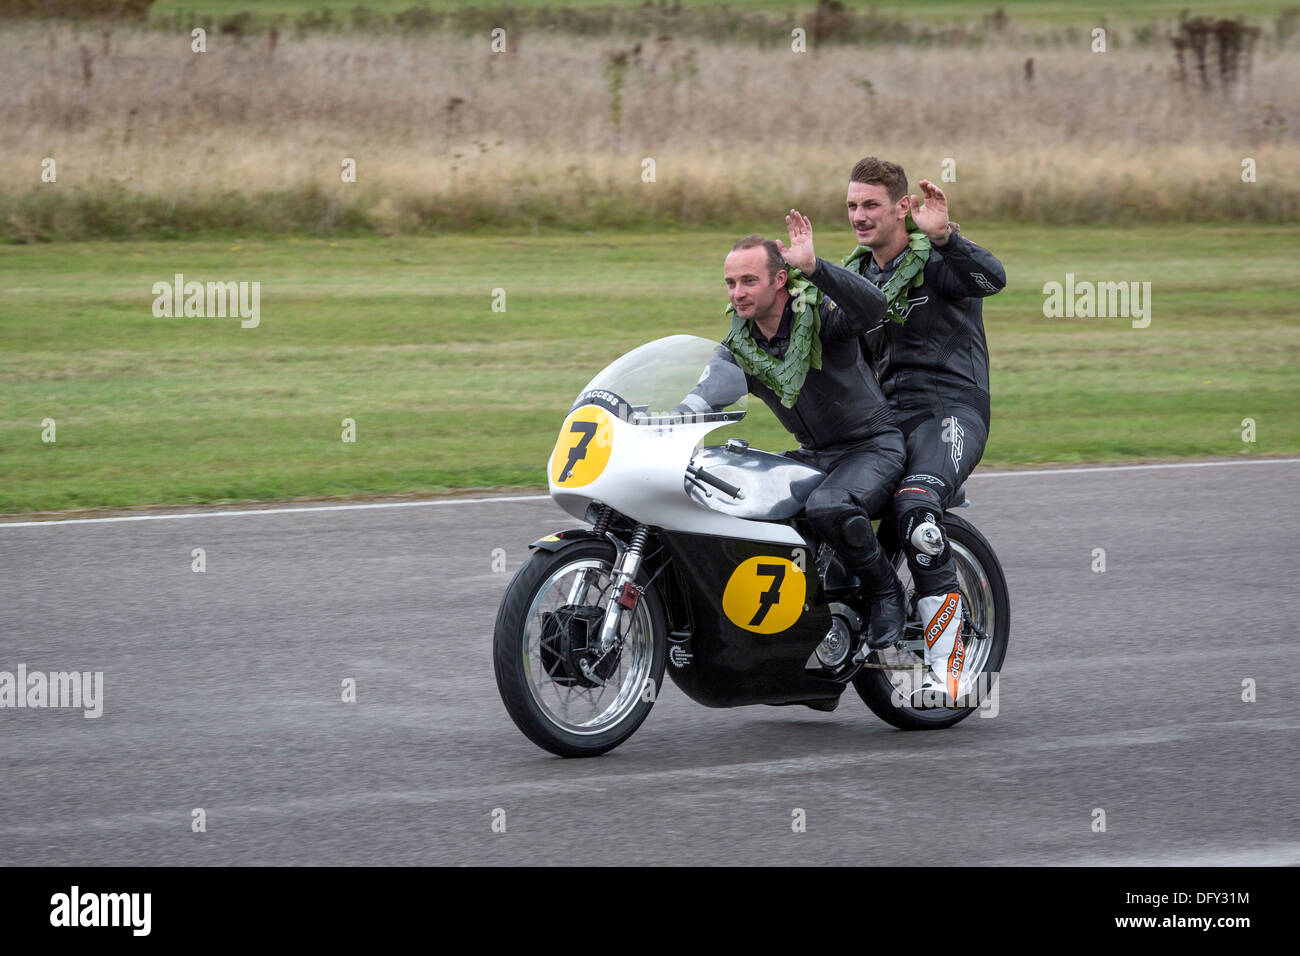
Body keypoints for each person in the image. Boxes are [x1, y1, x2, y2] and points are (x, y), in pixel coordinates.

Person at [677, 211, 907, 652]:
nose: (737, 293)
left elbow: (875, 307)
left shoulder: (820, 318)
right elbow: (702, 399)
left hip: (872, 447)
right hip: (814, 453)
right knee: (741, 497)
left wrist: (816, 269)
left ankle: (887, 592)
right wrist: (657, 422)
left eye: (748, 281)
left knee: (828, 506)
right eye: (730, 284)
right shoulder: (741, 348)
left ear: (780, 280)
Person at [841, 156, 1007, 704]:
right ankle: (828, 660)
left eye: (871, 205)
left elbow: (993, 279)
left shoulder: (933, 260)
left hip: (950, 411)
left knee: (917, 511)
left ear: (902, 208)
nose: (860, 217)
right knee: (827, 506)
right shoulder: (857, 277)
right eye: (852, 206)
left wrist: (947, 239)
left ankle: (953, 661)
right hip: (886, 421)